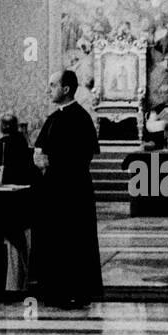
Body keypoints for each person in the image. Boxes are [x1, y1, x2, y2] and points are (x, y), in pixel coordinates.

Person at [31, 70, 102, 308]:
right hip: (54, 190)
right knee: (56, 241)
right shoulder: (54, 118)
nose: (48, 89)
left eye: (52, 85)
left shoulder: (80, 118)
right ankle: (56, 290)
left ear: (66, 89)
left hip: (73, 190)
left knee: (74, 241)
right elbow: (40, 149)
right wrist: (40, 159)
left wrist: (50, 161)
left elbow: (81, 156)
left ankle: (76, 291)